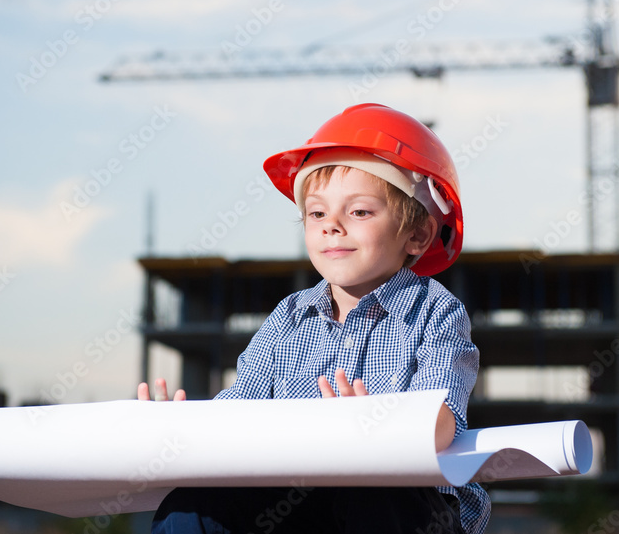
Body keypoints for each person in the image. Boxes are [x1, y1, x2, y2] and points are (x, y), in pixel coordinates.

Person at [139, 103, 490, 534]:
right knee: (192, 504)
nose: (332, 226)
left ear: (417, 235)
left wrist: (374, 430)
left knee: (373, 487)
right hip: (302, 505)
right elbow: (235, 414)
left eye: (359, 212)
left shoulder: (436, 312)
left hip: (407, 503)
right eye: (317, 213)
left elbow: (440, 425)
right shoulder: (288, 318)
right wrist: (180, 428)